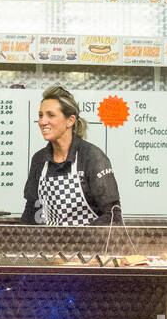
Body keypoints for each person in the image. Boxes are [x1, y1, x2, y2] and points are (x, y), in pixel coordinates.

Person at [22, 85, 122, 225]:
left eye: (51, 115)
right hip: (51, 245)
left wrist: (78, 239)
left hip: (89, 245)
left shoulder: (92, 157)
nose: (42, 121)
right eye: (40, 115)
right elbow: (31, 211)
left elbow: (113, 216)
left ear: (70, 120)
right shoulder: (39, 159)